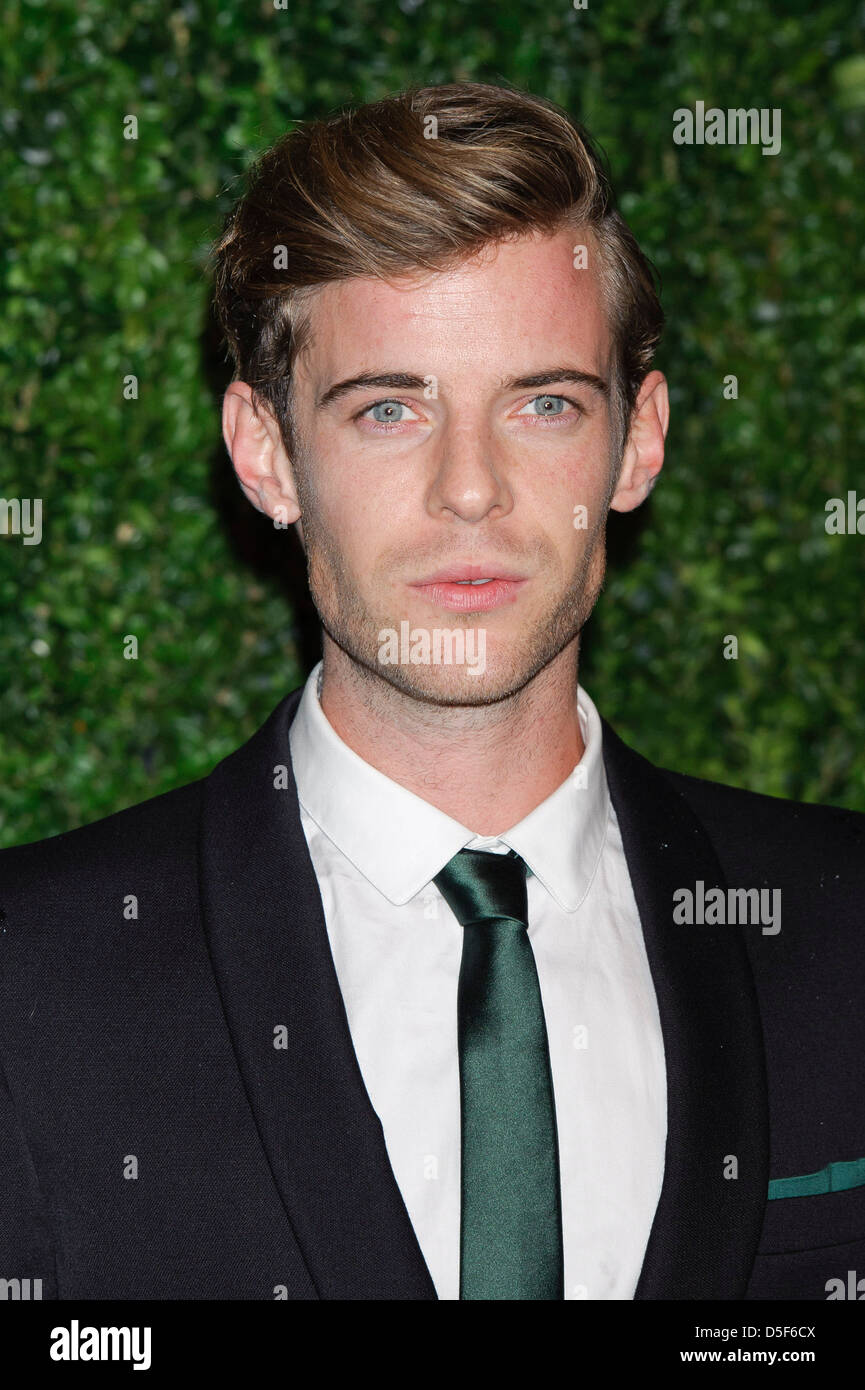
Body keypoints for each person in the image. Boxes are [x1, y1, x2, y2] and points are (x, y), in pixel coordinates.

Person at [1, 82, 863, 1302]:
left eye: (544, 402)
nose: (471, 487)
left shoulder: (842, 930)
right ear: (266, 452)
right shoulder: (29, 983)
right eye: (390, 409)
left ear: (640, 440)